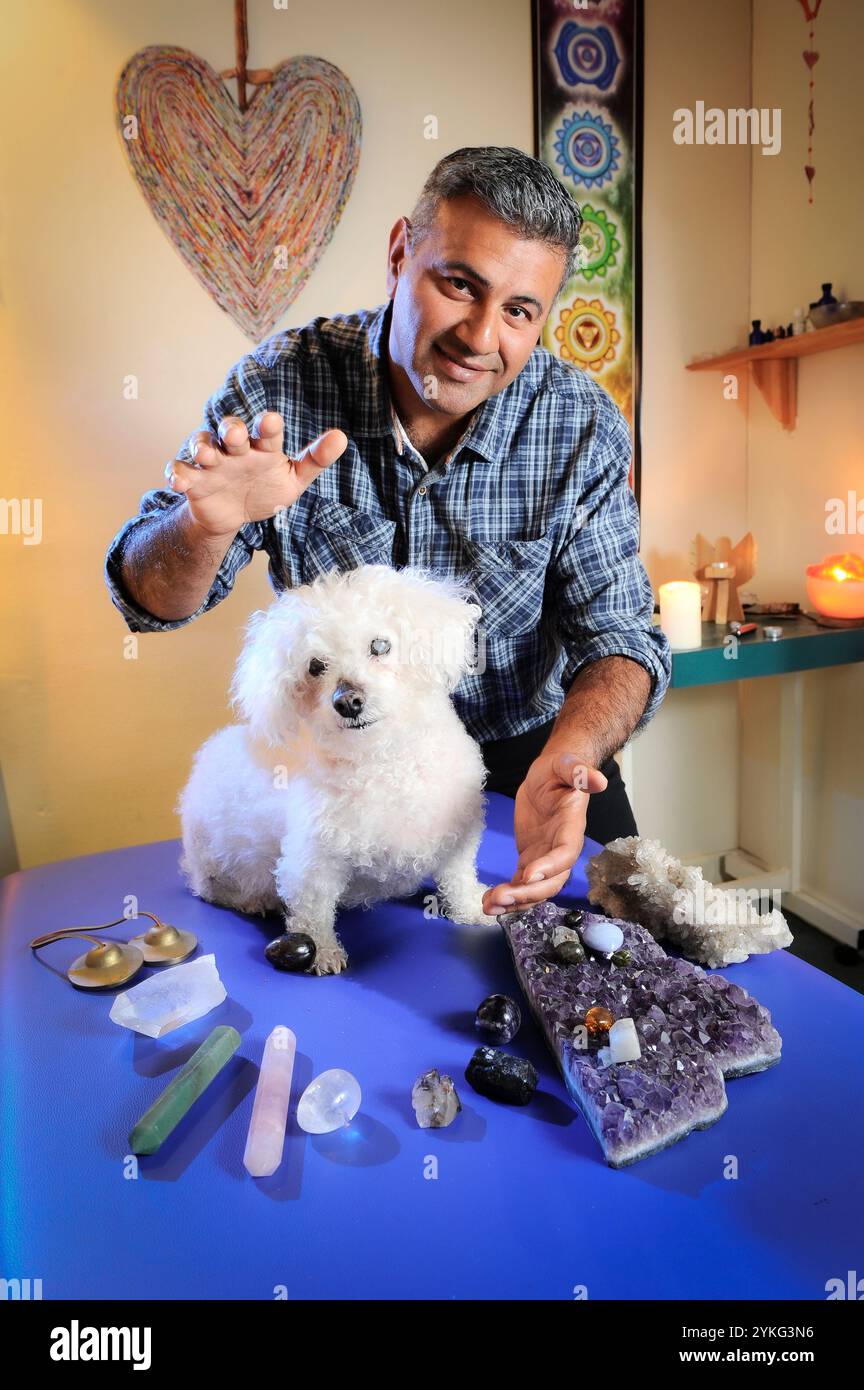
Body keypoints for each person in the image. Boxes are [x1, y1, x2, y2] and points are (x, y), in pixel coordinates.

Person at [104, 146, 671, 918]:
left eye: (518, 310)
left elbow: (622, 638)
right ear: (402, 252)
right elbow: (149, 601)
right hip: (343, 764)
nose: (479, 335)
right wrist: (204, 527)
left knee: (621, 957)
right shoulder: (280, 386)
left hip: (523, 760)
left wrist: (569, 759)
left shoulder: (580, 423)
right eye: (460, 284)